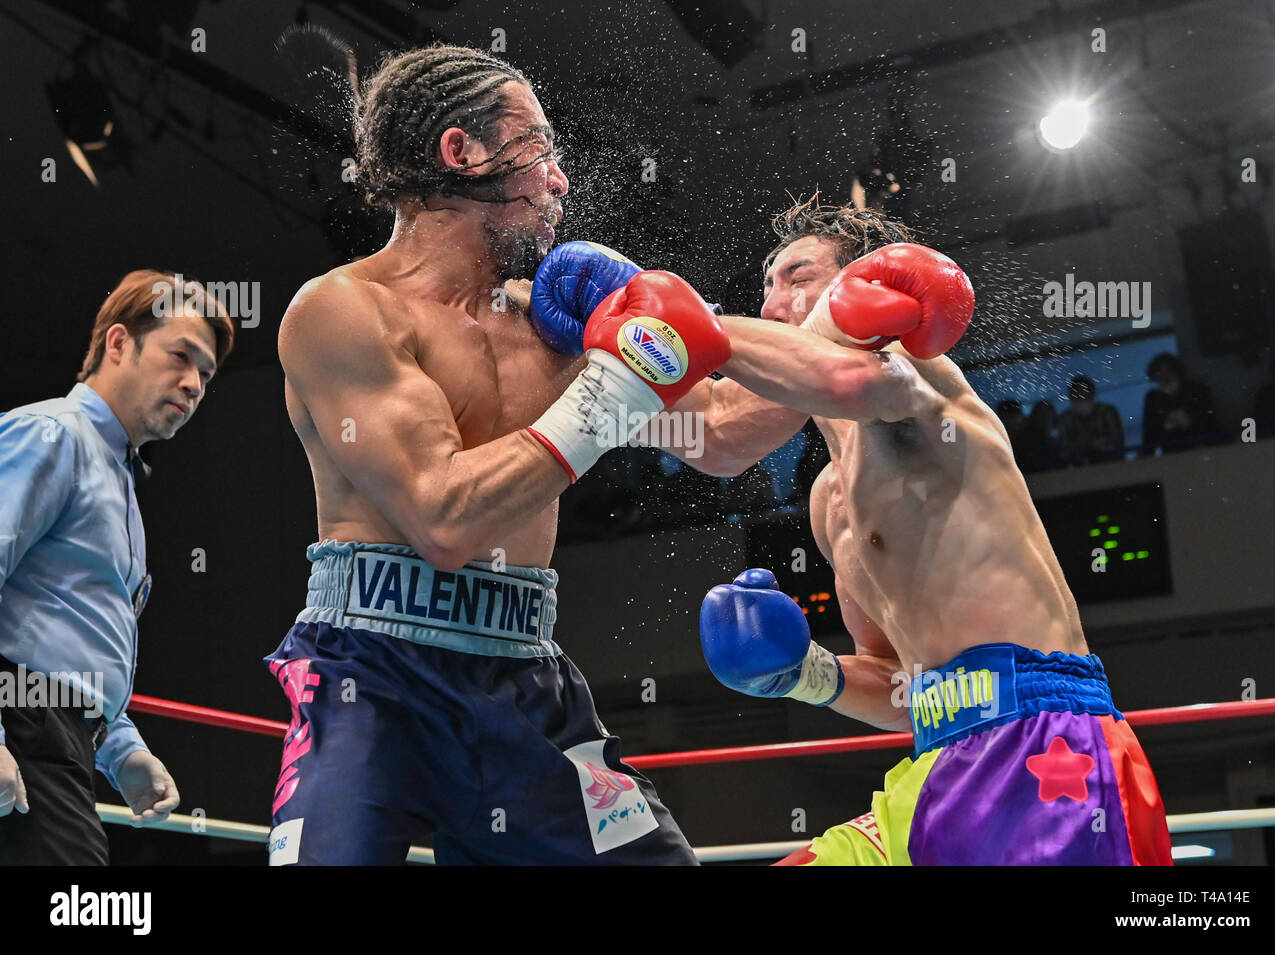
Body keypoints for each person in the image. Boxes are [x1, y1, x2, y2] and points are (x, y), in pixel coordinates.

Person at [266, 43, 730, 865]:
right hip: (368, 675)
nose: (559, 181)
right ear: (463, 151)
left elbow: (722, 432)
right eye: (542, 148)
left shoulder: (549, 319)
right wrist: (620, 386)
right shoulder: (343, 310)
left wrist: (852, 338)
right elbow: (443, 519)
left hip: (524, 676)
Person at [694, 196, 1172, 865]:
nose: (775, 305)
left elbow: (843, 378)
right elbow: (898, 686)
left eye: (798, 279)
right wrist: (803, 674)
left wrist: (689, 323)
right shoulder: (830, 497)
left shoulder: (913, 375)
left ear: (864, 285)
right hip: (933, 766)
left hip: (1042, 743)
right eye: (767, 289)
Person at [0, 269, 233, 864]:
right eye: (181, 356)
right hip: (21, 724)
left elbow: (75, 636)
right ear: (119, 343)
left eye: (206, 374)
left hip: (61, 740)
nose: (194, 383)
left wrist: (122, 749)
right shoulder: (52, 434)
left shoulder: (121, 481)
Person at [1141, 353, 1217, 454]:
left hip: (1202, 450)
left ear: (1176, 371)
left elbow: (1209, 422)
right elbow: (1150, 434)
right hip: (1172, 454)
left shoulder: (1196, 390)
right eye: (1160, 373)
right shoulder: (1154, 399)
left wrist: (1188, 421)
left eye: (1168, 371)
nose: (1165, 376)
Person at [1058, 375, 1124, 465]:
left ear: (1092, 393)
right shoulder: (1065, 418)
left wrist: (1099, 445)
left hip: (1109, 463)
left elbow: (1118, 441)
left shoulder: (1107, 412)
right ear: (1071, 396)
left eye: (1084, 393)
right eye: (1077, 394)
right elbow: (1064, 450)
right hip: (1078, 468)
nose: (1081, 397)